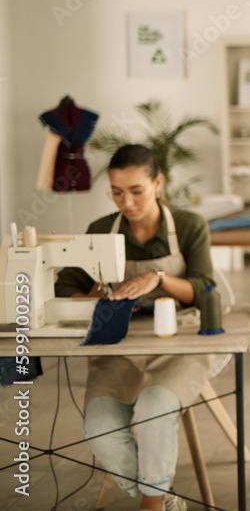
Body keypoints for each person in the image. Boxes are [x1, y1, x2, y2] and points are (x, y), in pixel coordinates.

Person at [55, 145, 215, 511]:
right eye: (116, 192)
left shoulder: (189, 226)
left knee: (155, 408)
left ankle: (153, 504)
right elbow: (65, 284)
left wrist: (156, 278)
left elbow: (205, 291)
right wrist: (91, 294)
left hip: (182, 343)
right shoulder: (99, 232)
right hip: (119, 347)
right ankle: (161, 494)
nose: (126, 202)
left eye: (136, 191)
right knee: (100, 429)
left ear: (158, 183)